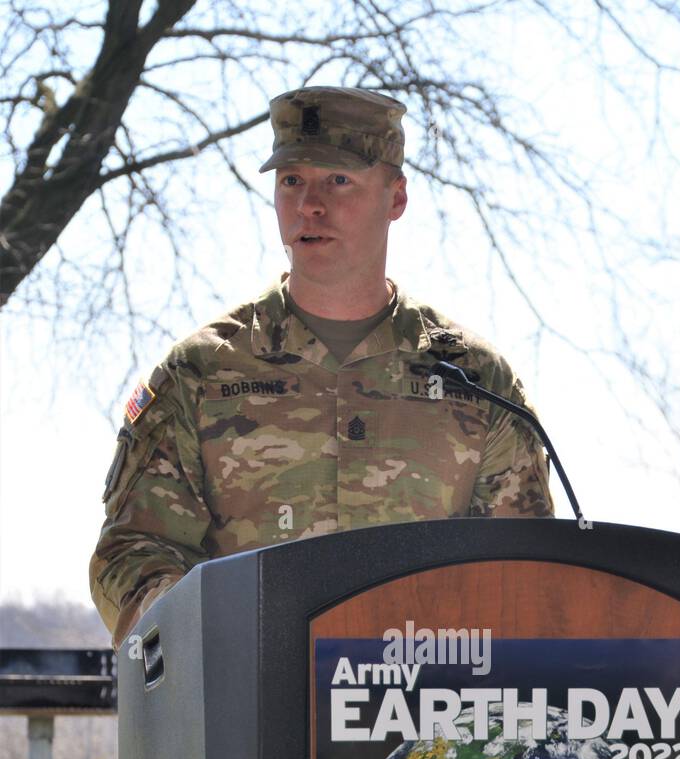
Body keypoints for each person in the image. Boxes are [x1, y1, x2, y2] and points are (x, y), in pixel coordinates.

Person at [89, 86, 554, 648]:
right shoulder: (200, 375)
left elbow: (529, 580)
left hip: (431, 719)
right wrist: (212, 644)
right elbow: (132, 553)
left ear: (396, 197)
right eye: (291, 181)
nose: (310, 204)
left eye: (338, 180)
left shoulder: (477, 385)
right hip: (252, 712)